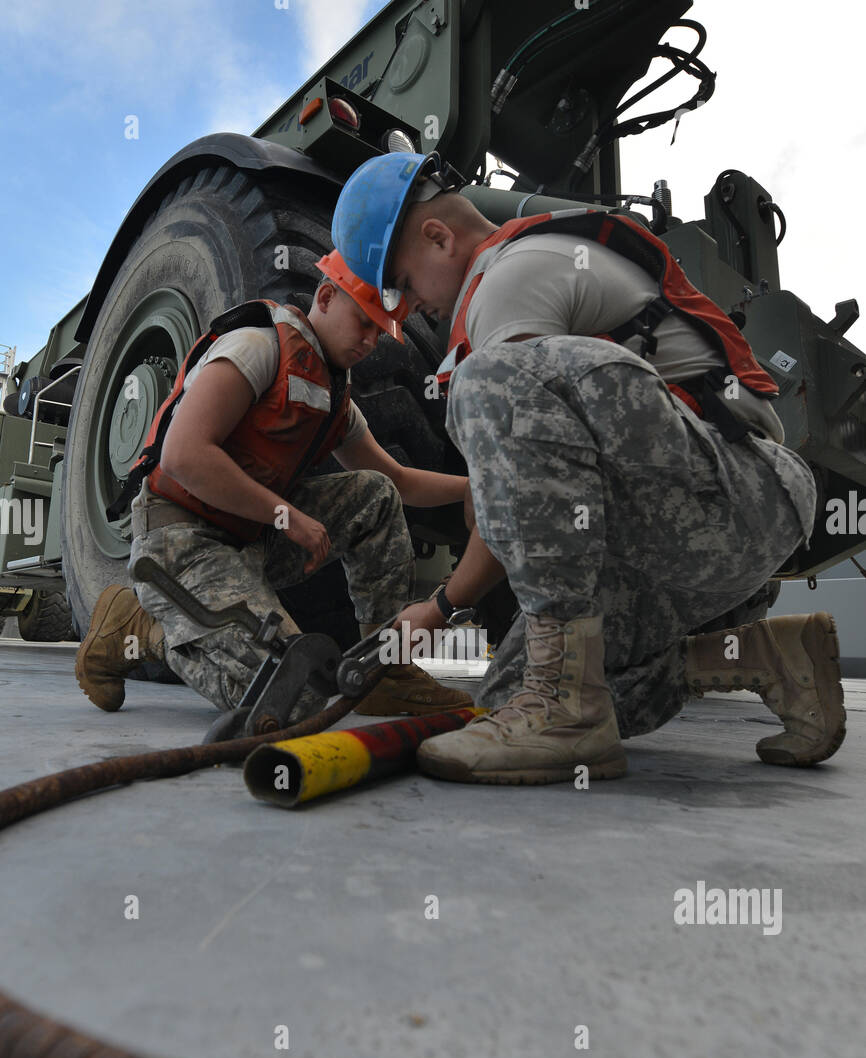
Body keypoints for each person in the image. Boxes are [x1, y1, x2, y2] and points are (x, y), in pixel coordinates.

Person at [328, 151, 845, 784]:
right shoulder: (524, 275)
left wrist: (437, 608)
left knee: (485, 382)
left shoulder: (506, 279)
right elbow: (529, 484)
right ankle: (769, 658)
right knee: (508, 692)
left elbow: (515, 433)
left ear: (437, 236)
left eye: (402, 283)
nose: (406, 308)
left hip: (742, 494)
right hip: (696, 529)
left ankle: (565, 708)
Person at [75, 251, 473, 721]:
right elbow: (184, 455)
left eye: (379, 332)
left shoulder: (334, 396)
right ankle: (140, 626)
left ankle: (382, 670)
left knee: (375, 496)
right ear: (326, 296)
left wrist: (472, 487)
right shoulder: (257, 347)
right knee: (294, 695)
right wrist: (286, 516)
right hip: (178, 541)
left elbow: (399, 481)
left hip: (248, 541)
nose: (370, 342)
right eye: (363, 323)